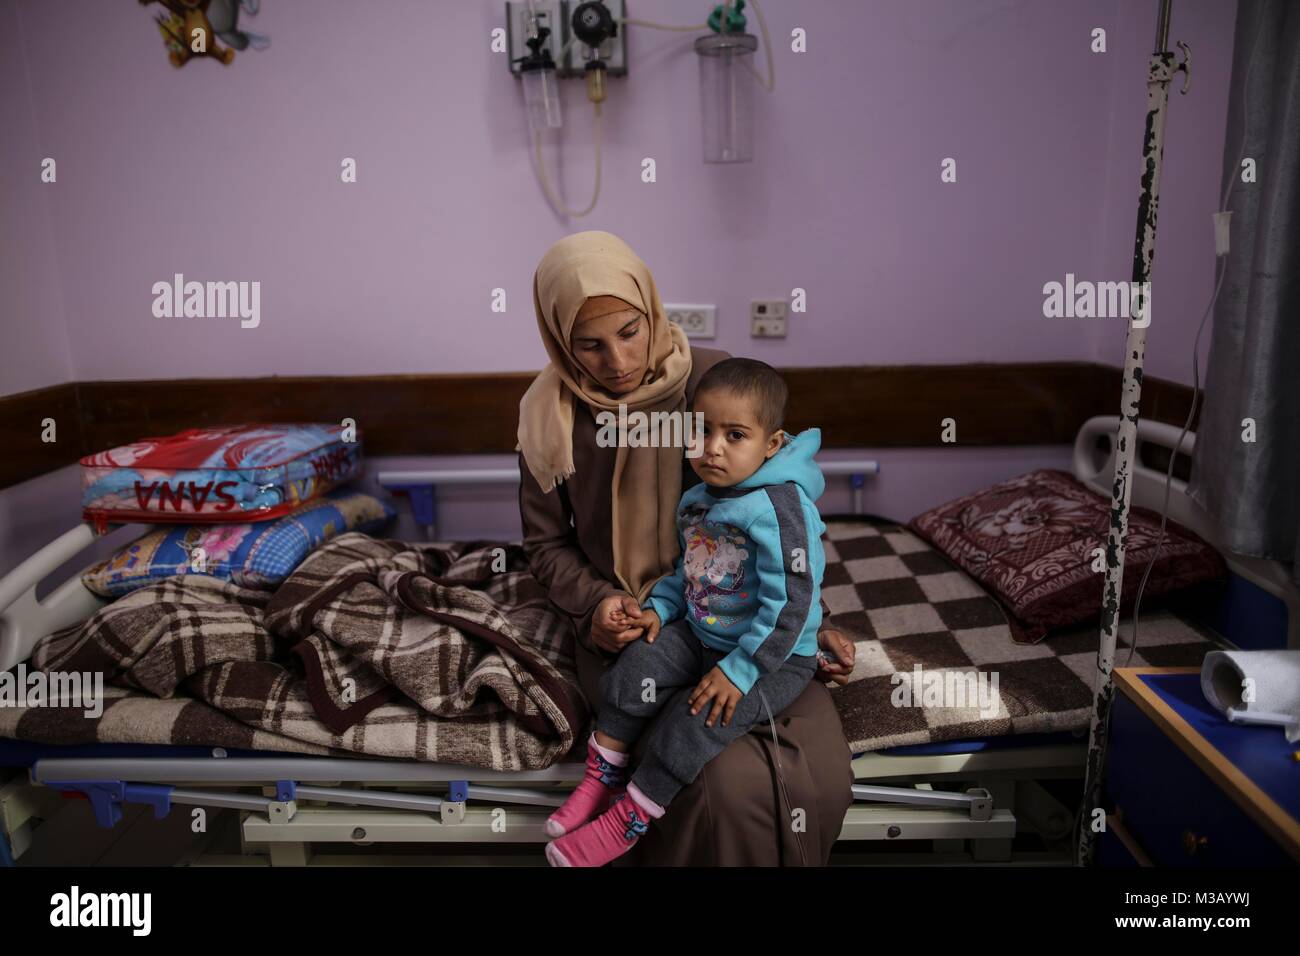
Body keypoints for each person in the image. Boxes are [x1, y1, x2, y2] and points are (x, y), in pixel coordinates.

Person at [516, 230, 856, 865]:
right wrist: (597, 605)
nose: (616, 360)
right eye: (588, 343)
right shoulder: (548, 417)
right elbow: (544, 545)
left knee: (791, 766)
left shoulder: (707, 380)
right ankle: (614, 803)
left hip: (748, 621)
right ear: (559, 339)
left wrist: (816, 618)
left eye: (629, 330)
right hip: (640, 618)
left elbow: (773, 511)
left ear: (652, 308)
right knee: (690, 755)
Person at [544, 358, 829, 867]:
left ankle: (629, 817)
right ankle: (599, 778)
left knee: (692, 721)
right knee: (635, 669)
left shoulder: (780, 508)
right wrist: (660, 607)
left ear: (772, 444)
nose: (711, 447)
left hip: (769, 659)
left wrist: (739, 673)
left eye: (735, 434)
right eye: (701, 429)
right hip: (702, 632)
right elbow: (692, 569)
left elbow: (793, 605)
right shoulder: (699, 497)